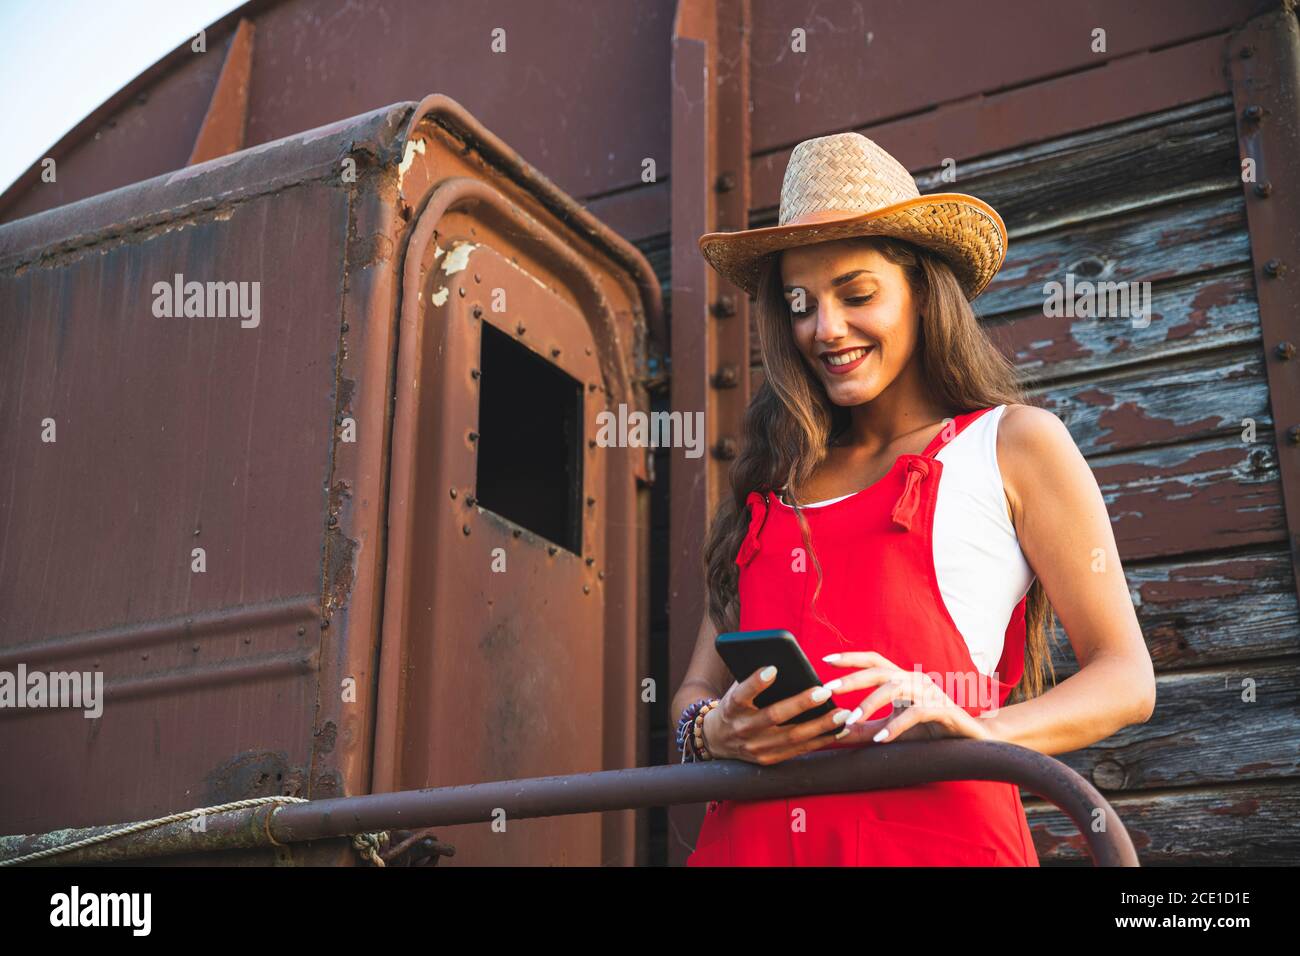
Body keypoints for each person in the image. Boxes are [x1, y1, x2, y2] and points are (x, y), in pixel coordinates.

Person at [672, 131, 1156, 866]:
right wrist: (710, 732)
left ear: (923, 292)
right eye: (801, 304)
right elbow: (694, 691)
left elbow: (1125, 677)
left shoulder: (1016, 444)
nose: (824, 329)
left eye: (857, 294)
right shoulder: (770, 482)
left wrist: (978, 729)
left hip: (939, 845)